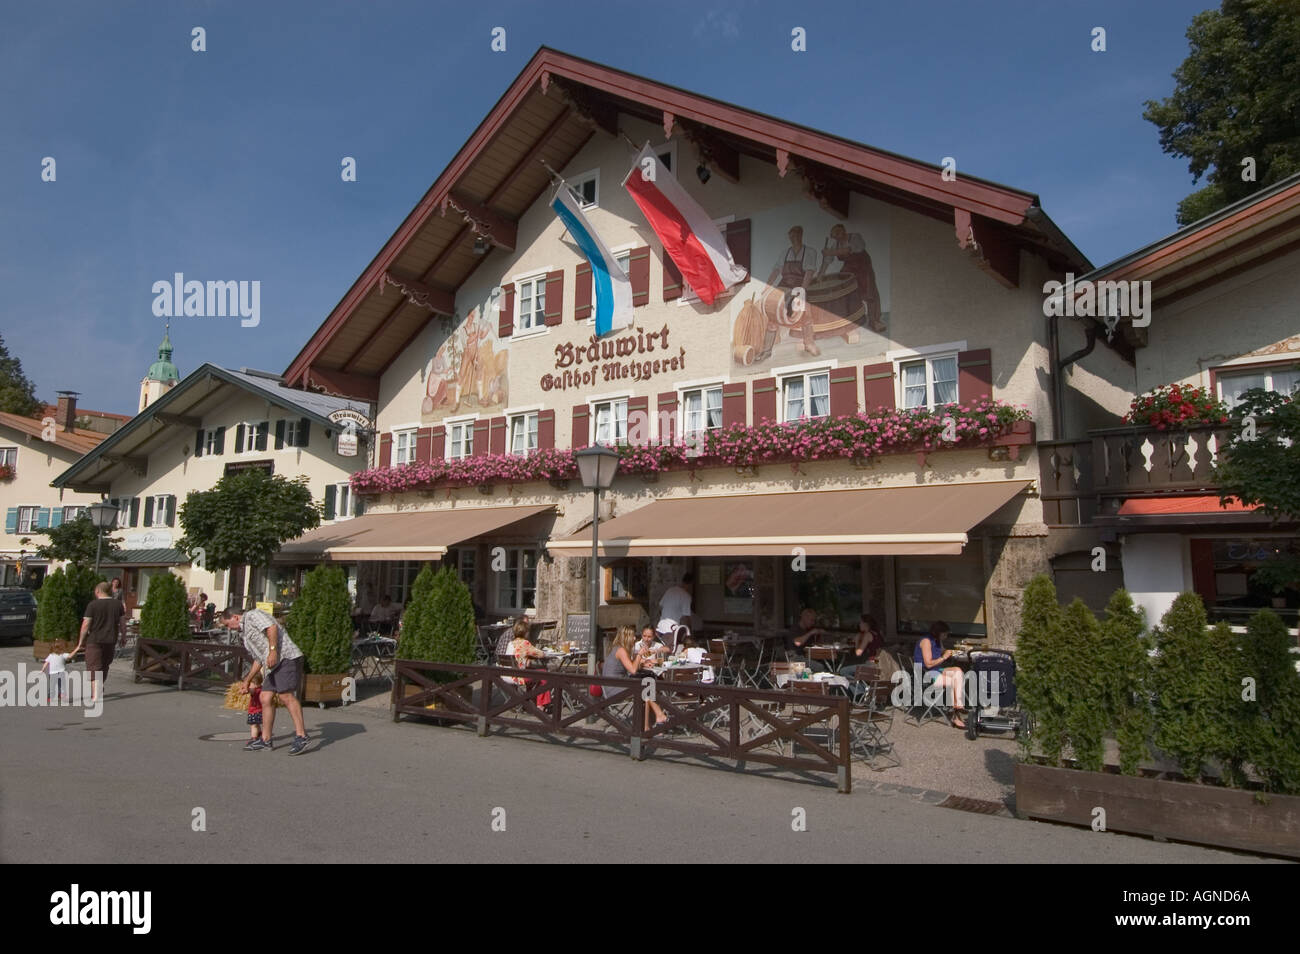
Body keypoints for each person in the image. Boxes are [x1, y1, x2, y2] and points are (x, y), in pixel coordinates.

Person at [222, 606, 312, 755]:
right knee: (265, 697)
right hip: (272, 664)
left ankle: (302, 736)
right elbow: (258, 658)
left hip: (285, 657)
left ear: (235, 617)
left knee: (285, 695)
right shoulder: (244, 634)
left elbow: (271, 627)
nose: (229, 628)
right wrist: (247, 680)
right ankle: (266, 740)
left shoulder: (252, 615)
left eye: (227, 624)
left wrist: (272, 651)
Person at [759, 225, 821, 360]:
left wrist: (802, 291)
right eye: (791, 236)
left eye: (796, 235)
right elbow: (776, 271)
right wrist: (767, 287)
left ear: (801, 235)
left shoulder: (810, 252)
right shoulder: (785, 253)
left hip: (800, 285)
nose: (793, 239)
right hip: (784, 285)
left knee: (805, 316)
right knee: (772, 316)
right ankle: (766, 350)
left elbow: (809, 272)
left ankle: (809, 343)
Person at [821, 224, 885, 332]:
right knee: (846, 290)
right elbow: (828, 260)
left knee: (870, 293)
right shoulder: (836, 244)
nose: (837, 238)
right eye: (834, 237)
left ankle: (874, 320)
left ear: (843, 231)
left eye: (838, 235)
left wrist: (830, 252)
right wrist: (820, 274)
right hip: (850, 267)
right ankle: (853, 319)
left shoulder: (855, 237)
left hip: (863, 267)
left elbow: (849, 250)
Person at [601, 625, 667, 727]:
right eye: (632, 636)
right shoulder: (621, 651)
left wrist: (642, 664)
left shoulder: (618, 649)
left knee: (646, 685)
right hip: (614, 690)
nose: (635, 638)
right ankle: (654, 719)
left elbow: (631, 665)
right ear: (626, 637)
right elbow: (632, 670)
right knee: (646, 687)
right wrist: (639, 655)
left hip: (614, 685)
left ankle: (649, 724)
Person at [72, 581, 125, 703]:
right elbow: (122, 623)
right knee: (104, 665)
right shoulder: (118, 605)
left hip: (94, 640)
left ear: (97, 591)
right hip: (111, 639)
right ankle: (99, 689)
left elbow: (86, 624)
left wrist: (81, 641)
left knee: (94, 666)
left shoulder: (93, 605)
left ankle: (96, 695)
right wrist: (123, 637)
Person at [913, 620, 965, 729]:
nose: (946, 636)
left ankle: (958, 704)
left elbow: (942, 650)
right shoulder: (926, 641)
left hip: (935, 670)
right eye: (945, 634)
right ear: (938, 632)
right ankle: (955, 715)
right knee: (952, 682)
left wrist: (950, 652)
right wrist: (944, 657)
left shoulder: (937, 640)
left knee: (958, 670)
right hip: (925, 673)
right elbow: (928, 664)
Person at [501, 619, 544, 686]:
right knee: (544, 673)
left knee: (532, 670)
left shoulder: (510, 643)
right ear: (526, 633)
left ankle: (530, 695)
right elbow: (541, 654)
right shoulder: (525, 643)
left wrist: (527, 658)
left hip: (505, 675)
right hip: (517, 677)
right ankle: (534, 695)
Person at [245, 672, 264, 744]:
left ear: (255, 684)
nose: (248, 685)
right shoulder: (262, 689)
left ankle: (254, 738)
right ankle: (259, 733)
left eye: (250, 683)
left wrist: (245, 689)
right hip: (260, 710)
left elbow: (249, 691)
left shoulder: (255, 690)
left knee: (254, 725)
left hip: (254, 711)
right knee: (257, 724)